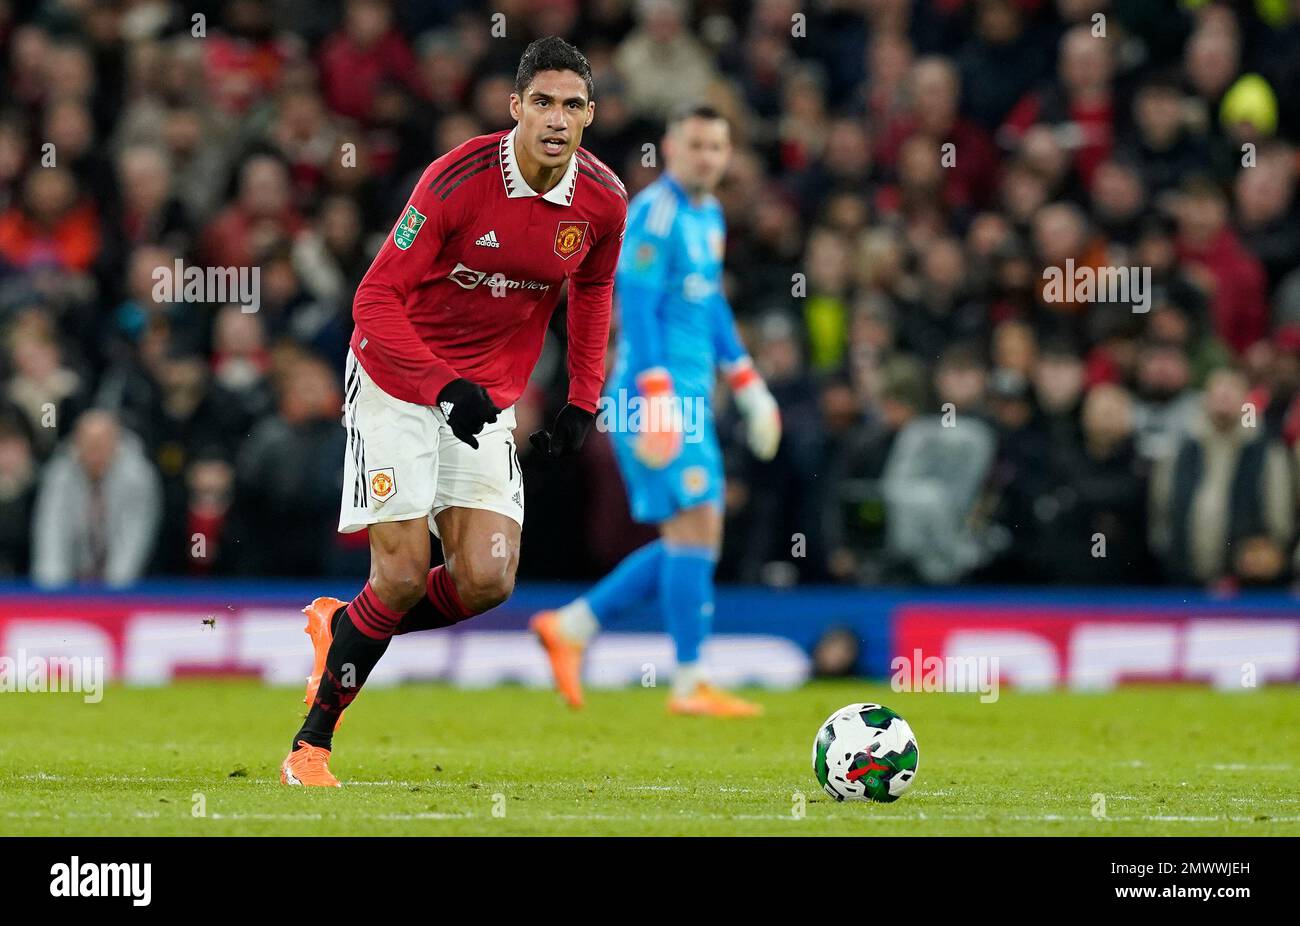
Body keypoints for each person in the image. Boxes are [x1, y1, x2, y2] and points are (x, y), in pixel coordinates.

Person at [281, 37, 628, 787]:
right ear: (515, 108)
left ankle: (344, 627)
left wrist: (581, 399)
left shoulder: (603, 200)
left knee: (487, 578)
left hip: (483, 398)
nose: (557, 119)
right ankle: (310, 746)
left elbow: (594, 292)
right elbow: (373, 298)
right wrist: (440, 383)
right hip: (397, 378)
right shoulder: (457, 178)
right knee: (403, 576)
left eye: (572, 104)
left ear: (591, 114)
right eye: (542, 102)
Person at [530, 104, 781, 717]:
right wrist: (658, 399)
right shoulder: (655, 212)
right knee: (696, 525)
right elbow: (634, 305)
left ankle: (574, 627)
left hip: (688, 396)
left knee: (694, 536)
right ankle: (688, 681)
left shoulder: (709, 214)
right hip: (655, 398)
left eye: (717, 147)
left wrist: (747, 381)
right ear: (670, 147)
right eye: (696, 145)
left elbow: (709, 301)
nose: (707, 157)